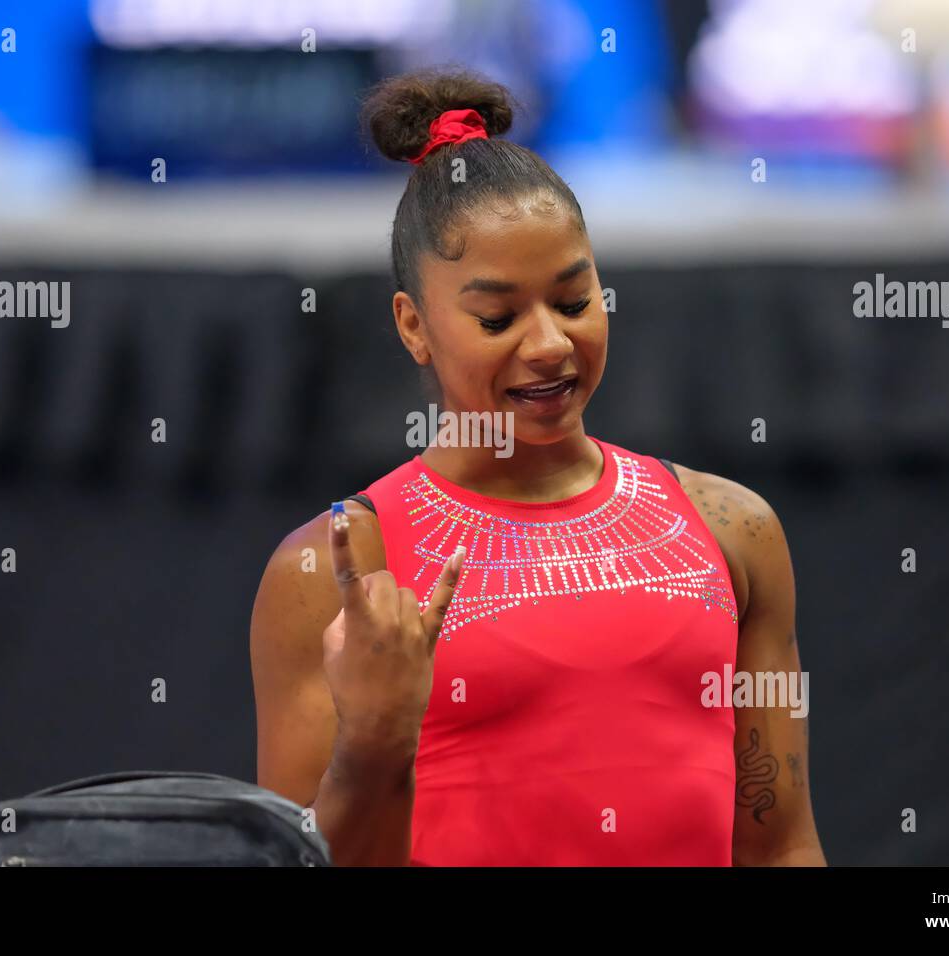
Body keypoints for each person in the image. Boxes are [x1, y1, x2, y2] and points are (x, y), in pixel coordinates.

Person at [250, 69, 825, 866]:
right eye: (497, 316)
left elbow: (781, 844)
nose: (550, 344)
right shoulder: (336, 570)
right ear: (414, 327)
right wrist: (375, 742)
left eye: (574, 301)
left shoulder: (735, 530)